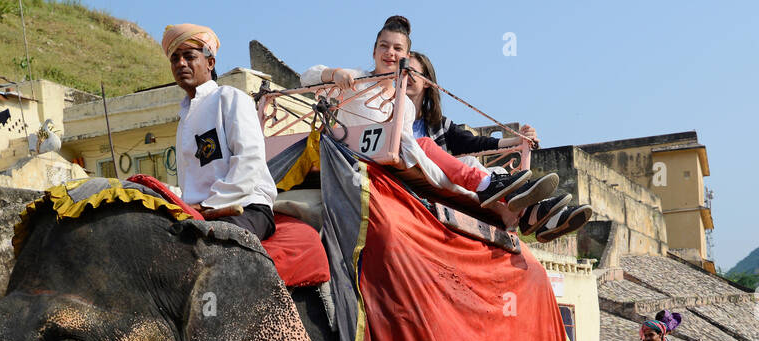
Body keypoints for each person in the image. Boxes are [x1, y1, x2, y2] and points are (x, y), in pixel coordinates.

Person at [303, 16, 557, 215]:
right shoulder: (355, 79)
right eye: (384, 46)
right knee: (429, 147)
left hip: (396, 161)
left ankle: (521, 201)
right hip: (354, 155)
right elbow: (307, 77)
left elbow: (422, 147)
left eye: (397, 49)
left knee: (464, 160)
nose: (389, 53)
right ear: (373, 52)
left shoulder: (406, 106)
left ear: (404, 58)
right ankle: (493, 188)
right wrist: (333, 73)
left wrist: (516, 140)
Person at [405, 51, 592, 242]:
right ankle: (534, 214)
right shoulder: (388, 111)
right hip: (421, 176)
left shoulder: (437, 124)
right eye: (403, 71)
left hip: (448, 179)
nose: (406, 76)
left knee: (495, 170)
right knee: (470, 163)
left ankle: (536, 213)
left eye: (412, 71)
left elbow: (474, 143)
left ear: (427, 81)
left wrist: (518, 141)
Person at [164, 23, 277, 240]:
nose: (181, 63)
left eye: (189, 56)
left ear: (210, 62)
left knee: (208, 248)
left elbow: (249, 161)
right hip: (199, 213)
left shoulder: (230, 98)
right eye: (174, 59)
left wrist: (207, 204)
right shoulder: (183, 120)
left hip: (247, 205)